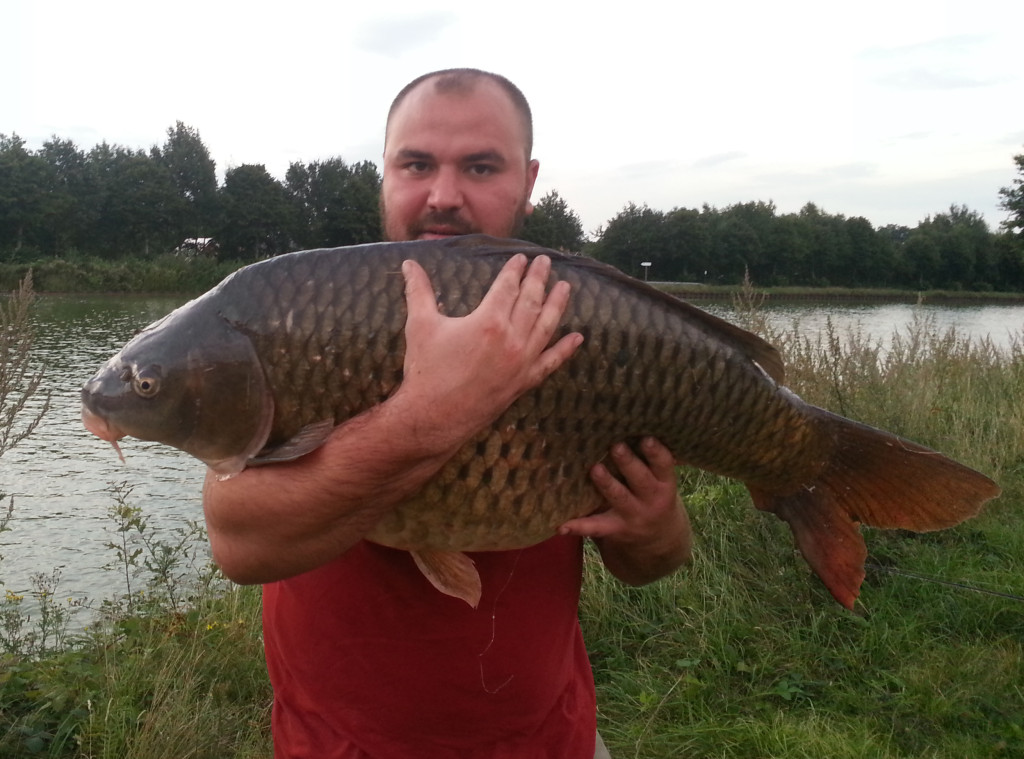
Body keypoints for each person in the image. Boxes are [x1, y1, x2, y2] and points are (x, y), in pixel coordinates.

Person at [202, 68, 693, 759]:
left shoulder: (586, 328)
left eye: (481, 166)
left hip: (551, 743)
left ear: (527, 179)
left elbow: (653, 562)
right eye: (417, 164)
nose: (443, 196)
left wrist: (655, 524)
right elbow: (239, 542)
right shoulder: (304, 316)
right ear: (385, 173)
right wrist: (428, 415)